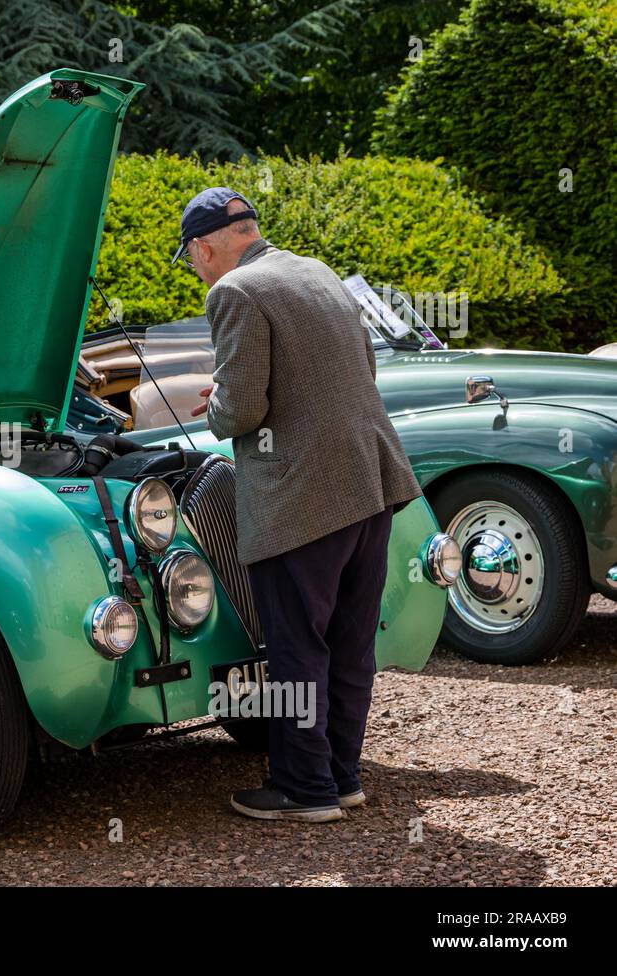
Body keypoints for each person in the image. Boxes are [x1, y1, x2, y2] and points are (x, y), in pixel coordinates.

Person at [174, 188, 421, 823]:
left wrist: (220, 405)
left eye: (193, 257)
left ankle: (304, 788)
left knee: (296, 646)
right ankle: (342, 777)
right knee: (349, 642)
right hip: (369, 481)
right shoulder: (317, 272)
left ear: (206, 247)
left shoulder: (232, 292)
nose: (197, 269)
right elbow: (361, 366)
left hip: (300, 496)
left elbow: (244, 411)